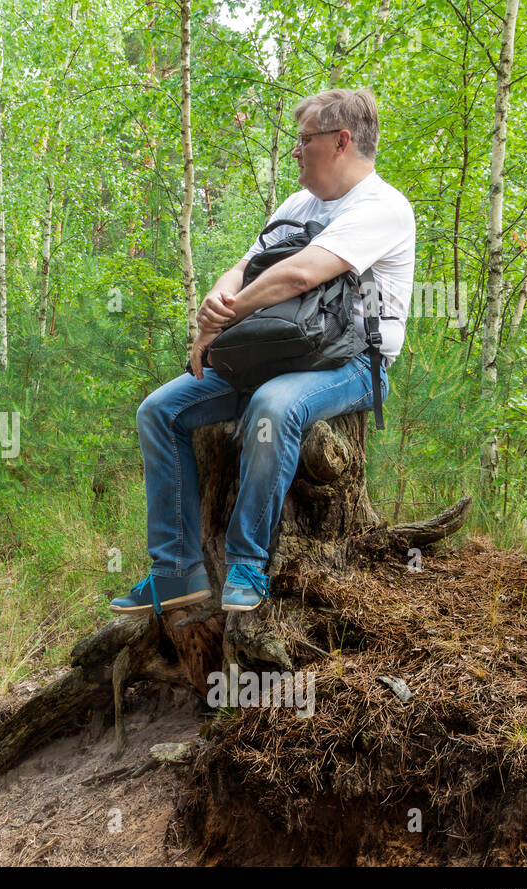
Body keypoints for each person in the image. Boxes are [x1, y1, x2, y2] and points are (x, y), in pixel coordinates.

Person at [111, 88, 416, 616]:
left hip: (353, 365)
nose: (296, 150)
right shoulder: (299, 203)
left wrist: (225, 318)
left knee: (273, 408)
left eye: (305, 140)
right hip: (273, 354)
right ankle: (174, 574)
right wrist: (215, 301)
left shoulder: (383, 207)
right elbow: (248, 264)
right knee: (160, 412)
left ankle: (246, 563)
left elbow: (300, 272)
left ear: (342, 142)